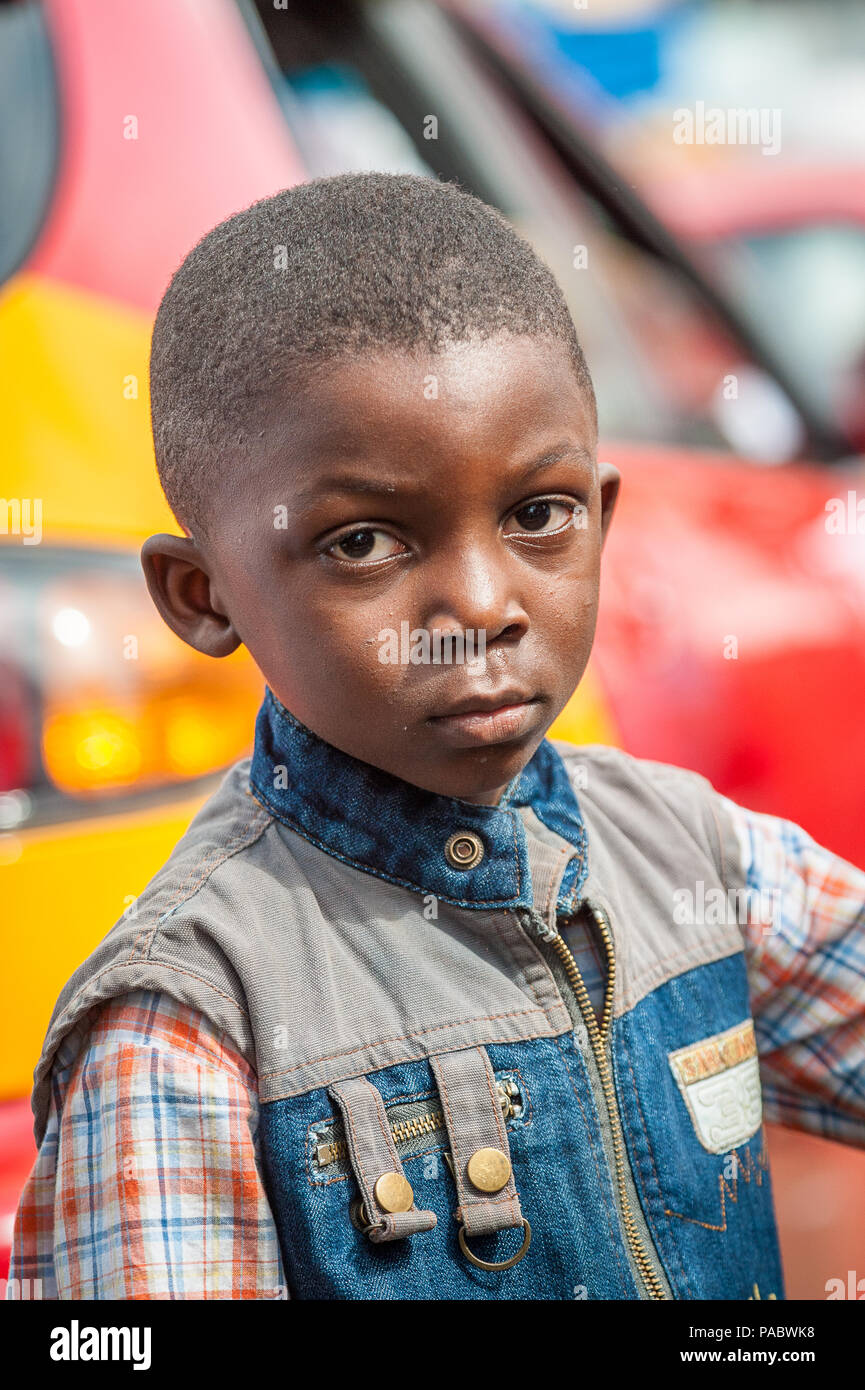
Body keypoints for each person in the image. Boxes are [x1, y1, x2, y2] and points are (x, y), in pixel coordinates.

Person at [8, 173, 865, 1300]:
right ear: (201, 595)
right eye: (364, 541)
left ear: (601, 519)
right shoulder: (191, 1026)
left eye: (536, 516)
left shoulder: (695, 856)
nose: (481, 601)